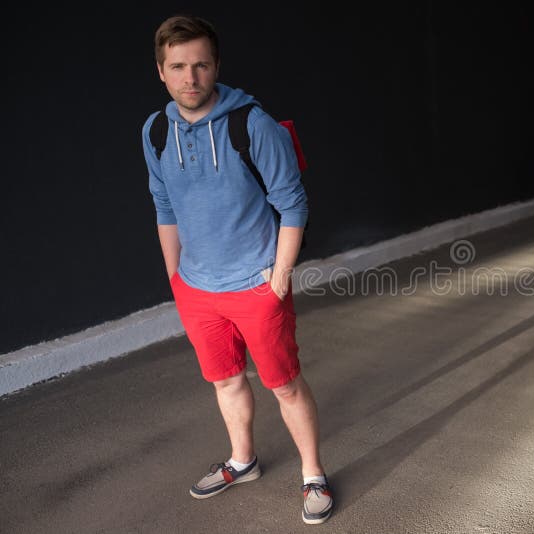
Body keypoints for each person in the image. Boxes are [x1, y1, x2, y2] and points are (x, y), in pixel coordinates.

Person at [142, 14, 333, 525]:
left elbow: (293, 205)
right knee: (225, 381)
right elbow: (164, 206)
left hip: (256, 283)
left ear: (216, 65)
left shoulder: (253, 125)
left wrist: (279, 279)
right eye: (178, 66)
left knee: (285, 384)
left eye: (201, 65)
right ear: (161, 71)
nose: (191, 78)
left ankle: (313, 473)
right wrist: (176, 279)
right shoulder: (156, 130)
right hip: (198, 290)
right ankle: (242, 461)